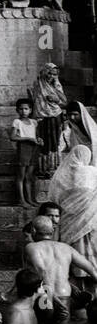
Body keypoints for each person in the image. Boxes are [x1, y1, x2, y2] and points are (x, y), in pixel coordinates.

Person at [24, 217, 97, 324]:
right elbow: (92, 269)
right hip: (64, 298)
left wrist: (52, 298)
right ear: (52, 231)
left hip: (45, 298)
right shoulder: (66, 248)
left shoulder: (31, 247)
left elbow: (41, 271)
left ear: (33, 230)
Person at [51, 101, 97, 280]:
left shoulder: (93, 133)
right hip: (80, 180)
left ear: (82, 114)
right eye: (69, 115)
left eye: (75, 115)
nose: (72, 118)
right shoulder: (69, 131)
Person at [31, 62, 67, 177]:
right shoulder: (38, 84)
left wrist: (56, 99)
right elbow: (34, 100)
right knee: (43, 142)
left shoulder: (56, 85)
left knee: (54, 142)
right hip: (41, 116)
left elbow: (64, 102)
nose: (51, 76)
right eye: (49, 73)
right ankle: (43, 168)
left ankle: (53, 167)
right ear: (45, 72)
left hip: (55, 115)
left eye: (54, 74)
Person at [11, 97, 40, 208]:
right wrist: (27, 138)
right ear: (17, 110)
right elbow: (12, 137)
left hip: (34, 149)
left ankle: (30, 199)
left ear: (31, 110)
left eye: (26, 109)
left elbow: (36, 136)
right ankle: (21, 200)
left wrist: (39, 140)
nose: (24, 111)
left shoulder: (34, 122)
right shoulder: (17, 122)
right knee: (21, 176)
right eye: (21, 109)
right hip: (23, 148)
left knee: (29, 176)